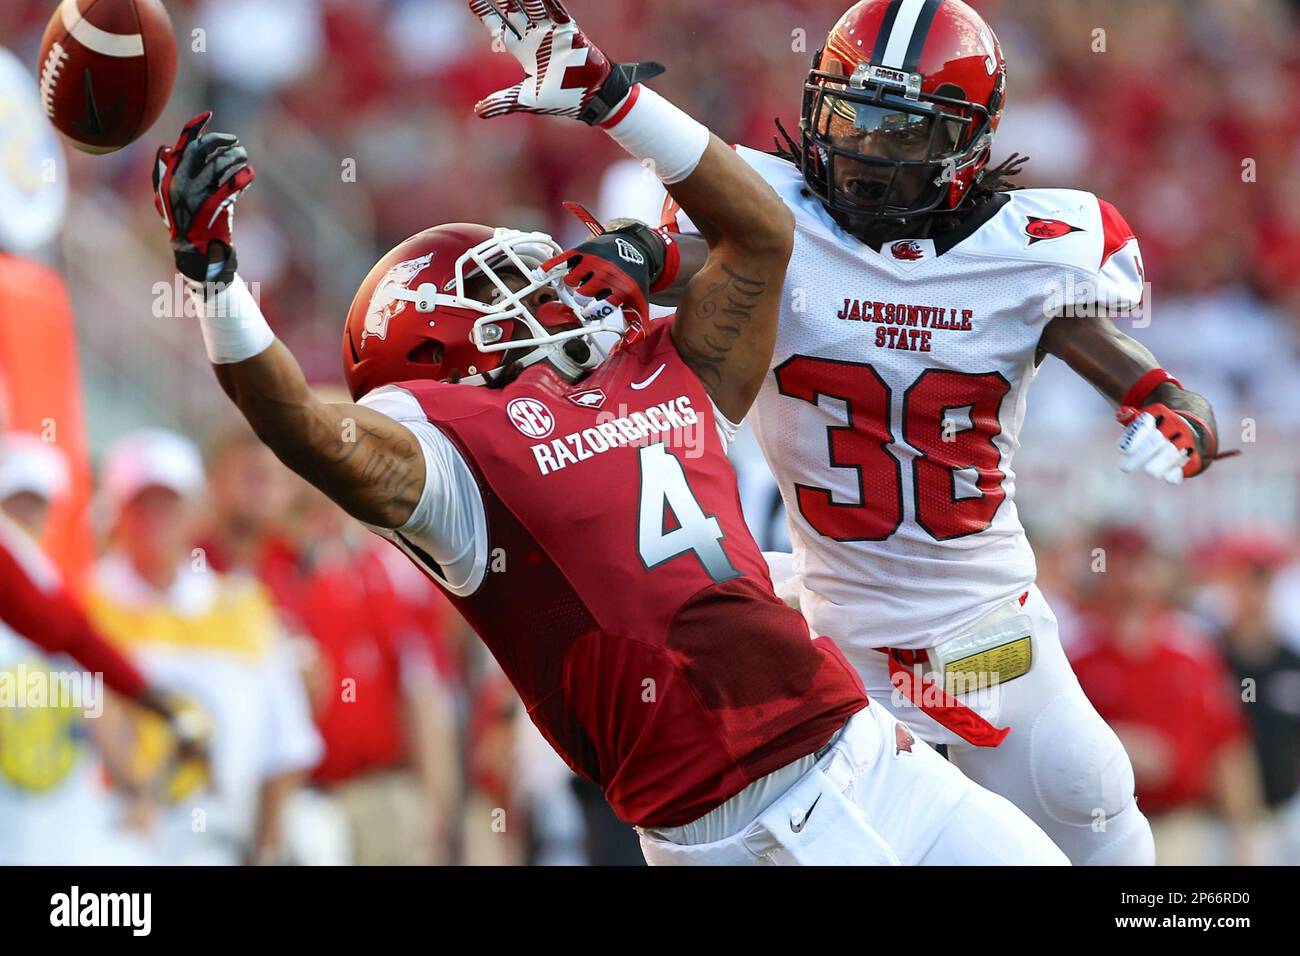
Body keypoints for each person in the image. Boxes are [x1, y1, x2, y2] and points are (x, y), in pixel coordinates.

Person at [143, 0, 1067, 865]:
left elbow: (763, 236)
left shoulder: (653, 365)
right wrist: (217, 283)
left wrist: (614, 100)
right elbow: (300, 427)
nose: (544, 284)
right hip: (731, 832)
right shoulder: (449, 455)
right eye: (499, 285)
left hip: (864, 751)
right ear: (436, 343)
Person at [598, 0, 1238, 865]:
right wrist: (629, 257)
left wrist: (1177, 413)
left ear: (966, 144)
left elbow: (1151, 380)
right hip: (832, 633)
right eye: (850, 114)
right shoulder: (778, 222)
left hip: (982, 632)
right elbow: (675, 254)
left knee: (1086, 796)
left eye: (904, 131)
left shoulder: (1029, 252)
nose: (864, 149)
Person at [84, 429, 323, 865]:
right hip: (104, 844)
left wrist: (265, 852)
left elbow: (286, 746)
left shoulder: (243, 607)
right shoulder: (83, 605)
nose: (156, 517)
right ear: (116, 511)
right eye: (142, 503)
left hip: (214, 846)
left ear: (196, 510)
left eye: (169, 502)